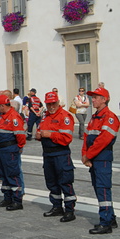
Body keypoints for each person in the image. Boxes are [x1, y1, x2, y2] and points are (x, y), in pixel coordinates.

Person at [81, 87, 119, 234]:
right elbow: (86, 137)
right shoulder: (95, 117)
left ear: (104, 99)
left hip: (102, 158)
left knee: (103, 190)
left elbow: (103, 140)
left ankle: (106, 223)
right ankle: (110, 218)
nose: (93, 99)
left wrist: (88, 155)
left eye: (96, 97)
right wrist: (85, 154)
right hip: (94, 158)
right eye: (93, 97)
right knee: (99, 188)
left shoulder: (109, 117)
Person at [36, 91, 76, 222]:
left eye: (53, 103)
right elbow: (40, 129)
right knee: (51, 182)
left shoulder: (65, 116)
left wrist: (50, 135)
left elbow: (66, 138)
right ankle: (57, 206)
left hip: (61, 154)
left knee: (65, 182)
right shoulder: (45, 116)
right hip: (48, 154)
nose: (51, 106)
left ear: (58, 102)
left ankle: (70, 210)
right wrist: (38, 134)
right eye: (49, 104)